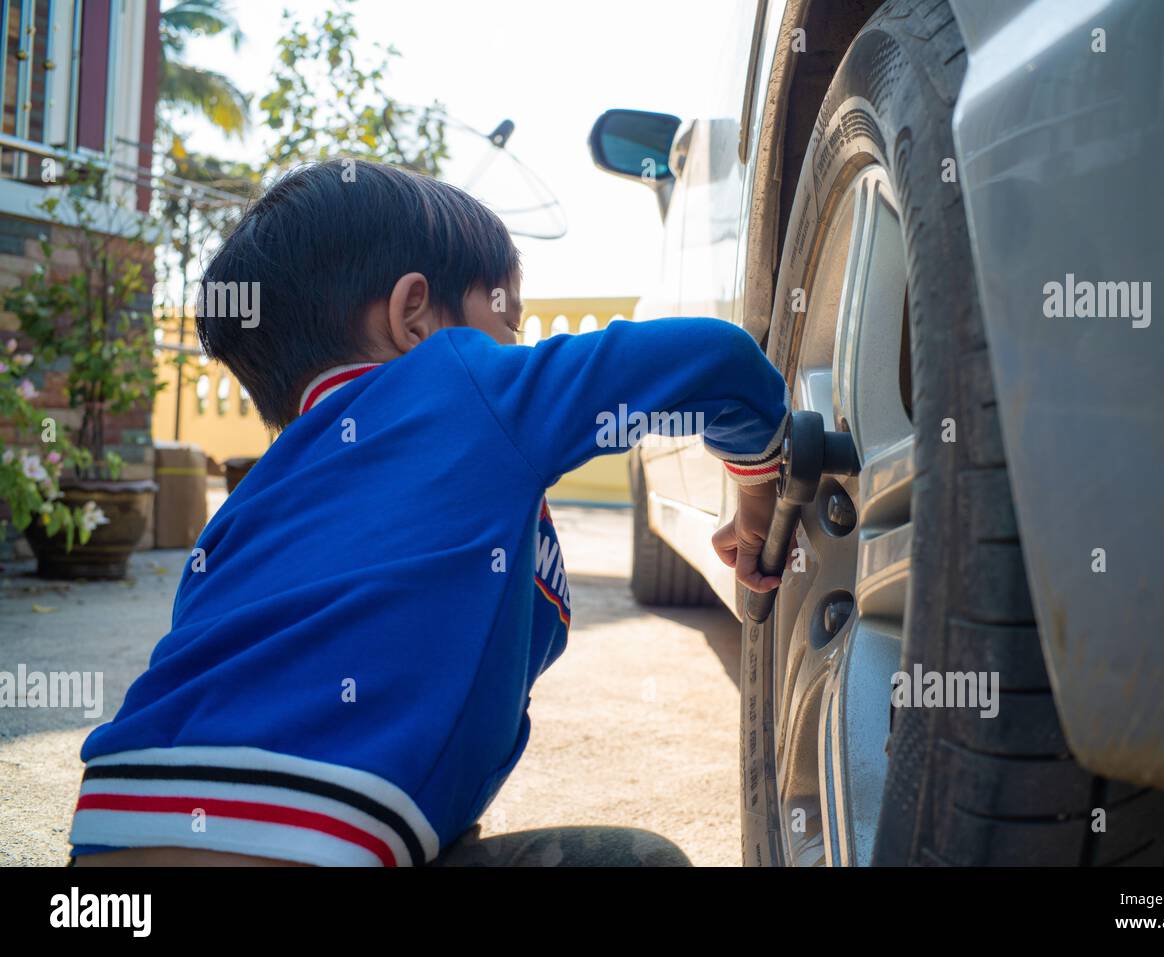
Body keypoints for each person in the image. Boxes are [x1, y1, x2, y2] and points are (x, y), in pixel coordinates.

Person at [70, 159, 788, 867]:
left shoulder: (243, 512)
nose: (517, 349)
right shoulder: (462, 384)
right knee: (638, 862)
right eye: (508, 321)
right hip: (307, 834)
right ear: (415, 315)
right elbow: (719, 359)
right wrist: (758, 490)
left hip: (109, 836)